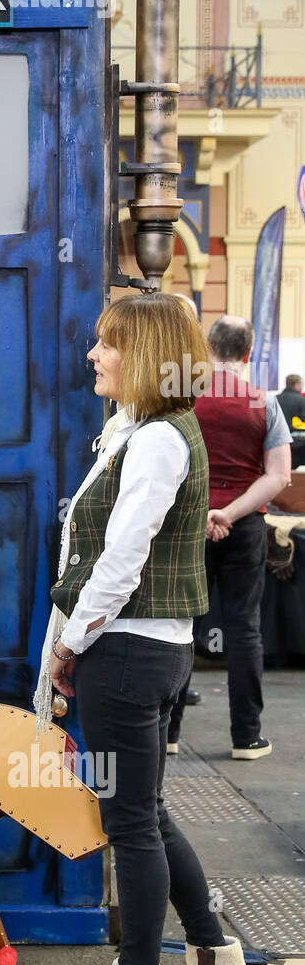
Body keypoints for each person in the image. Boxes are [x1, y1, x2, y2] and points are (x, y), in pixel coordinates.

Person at [36, 293, 253, 965]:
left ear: (147, 354)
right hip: (151, 649)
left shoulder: (157, 439)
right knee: (148, 815)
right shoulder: (149, 431)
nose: (93, 356)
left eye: (107, 344)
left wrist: (70, 644)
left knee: (128, 823)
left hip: (125, 653)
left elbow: (118, 560)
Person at [168, 316, 292, 759]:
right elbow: (278, 476)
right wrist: (230, 512)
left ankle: (168, 734)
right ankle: (246, 737)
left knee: (181, 626)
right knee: (243, 629)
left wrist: (202, 512)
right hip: (245, 527)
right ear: (247, 353)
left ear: (207, 347)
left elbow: (166, 464)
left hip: (187, 526)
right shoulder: (264, 404)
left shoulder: (183, 396)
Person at [275, 372, 305, 470]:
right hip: (299, 446)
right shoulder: (301, 400)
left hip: (277, 444)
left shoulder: (274, 399)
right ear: (297, 385)